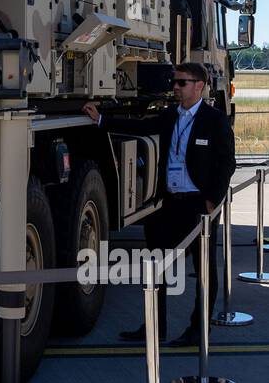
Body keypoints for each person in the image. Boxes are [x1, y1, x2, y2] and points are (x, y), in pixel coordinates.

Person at [83, 62, 236, 347]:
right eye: (174, 82)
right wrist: (102, 120)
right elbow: (140, 126)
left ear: (199, 85)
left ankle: (198, 329)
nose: (175, 88)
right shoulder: (170, 116)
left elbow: (227, 163)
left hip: (199, 206)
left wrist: (212, 201)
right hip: (169, 203)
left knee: (204, 270)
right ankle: (155, 325)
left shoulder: (214, 120)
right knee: (155, 265)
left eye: (181, 83)